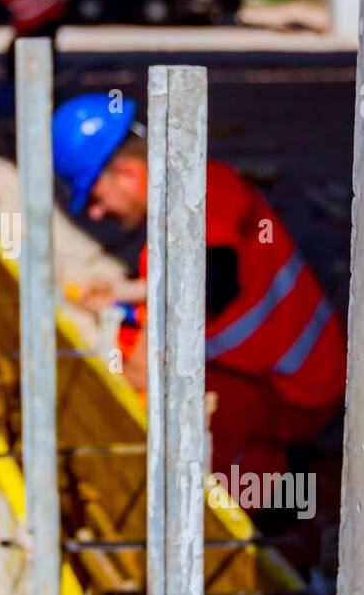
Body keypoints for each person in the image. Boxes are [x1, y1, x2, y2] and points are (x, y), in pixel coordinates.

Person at [52, 93, 347, 478]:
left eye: (95, 196)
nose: (96, 213)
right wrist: (127, 294)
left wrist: (143, 362)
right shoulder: (185, 199)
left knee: (189, 431)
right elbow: (198, 273)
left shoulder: (202, 189)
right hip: (274, 369)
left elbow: (215, 281)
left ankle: (270, 501)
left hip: (298, 388)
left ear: (127, 173)